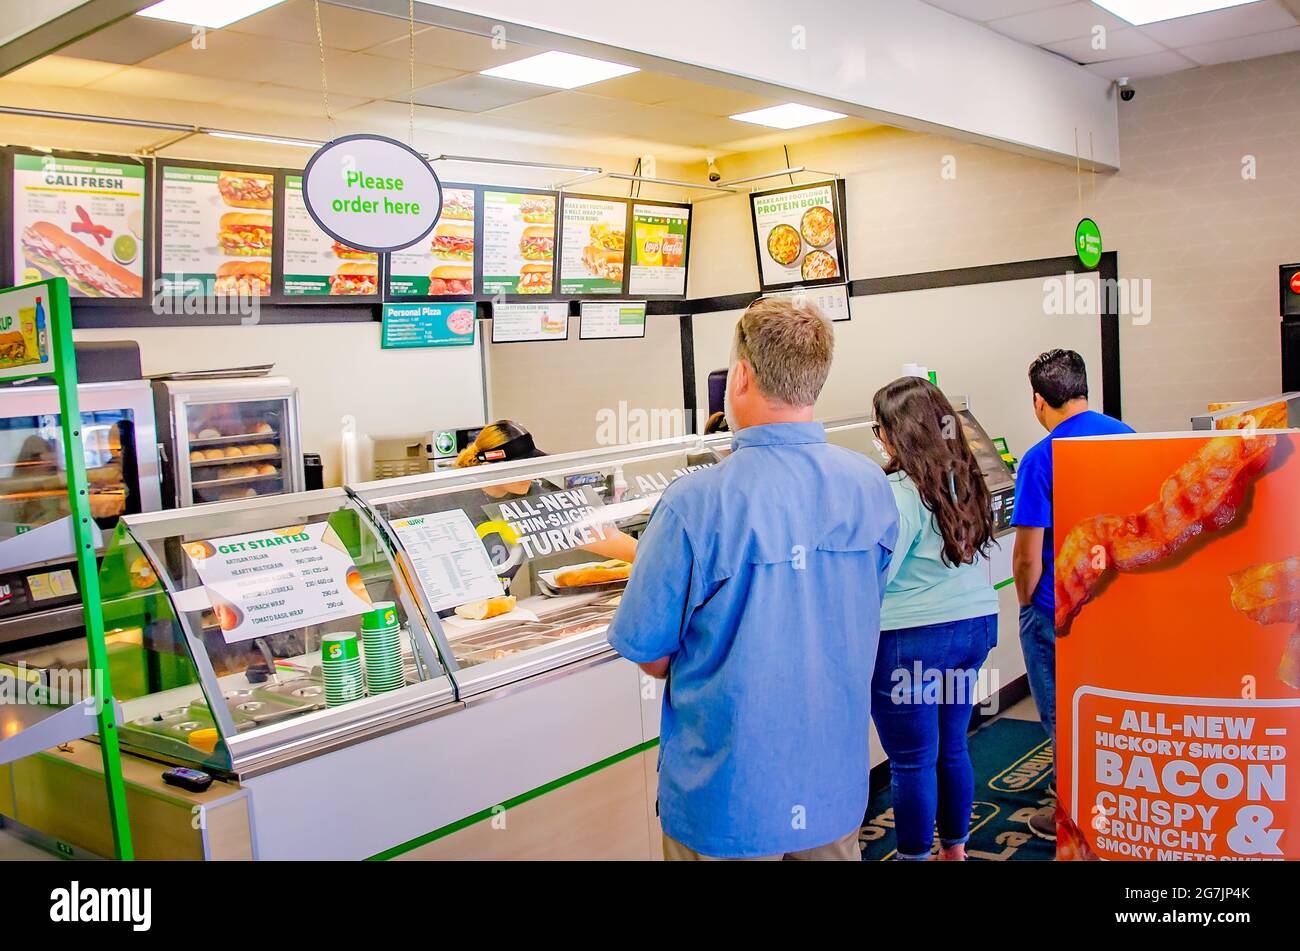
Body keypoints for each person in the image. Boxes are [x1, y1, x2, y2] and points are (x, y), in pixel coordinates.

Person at [606, 298, 898, 861]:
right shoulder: (869, 485)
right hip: (832, 787)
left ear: (740, 376)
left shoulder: (695, 502)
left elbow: (652, 653)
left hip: (727, 800)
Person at [869, 376, 998, 861]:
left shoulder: (898, 491)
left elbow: (880, 572)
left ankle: (916, 856)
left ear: (897, 432)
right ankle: (955, 850)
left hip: (912, 640)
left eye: (879, 429)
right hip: (973, 627)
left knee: (911, 761)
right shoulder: (965, 475)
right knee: (952, 747)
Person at [1010, 349, 1133, 840]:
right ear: (1084, 390)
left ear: (1040, 401)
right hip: (1116, 603)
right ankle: (1117, 803)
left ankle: (1075, 816)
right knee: (1108, 706)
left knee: (1063, 714)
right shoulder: (1127, 438)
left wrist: (1025, 602)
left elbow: (1026, 556)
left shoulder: (1041, 459)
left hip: (1054, 609)